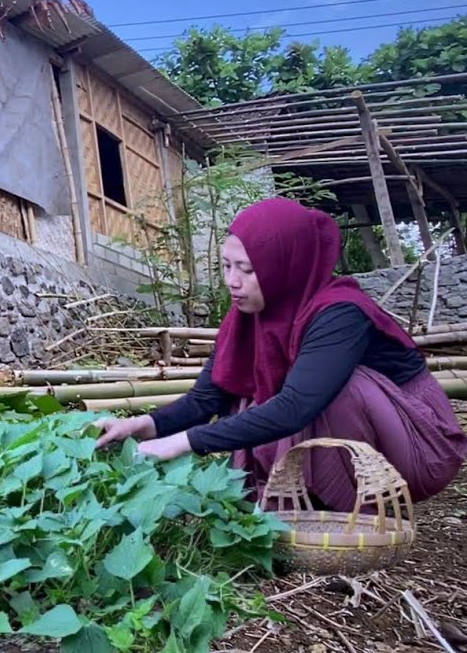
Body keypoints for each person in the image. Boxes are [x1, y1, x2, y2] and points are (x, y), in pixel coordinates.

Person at [93, 197, 467, 511]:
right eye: (227, 266)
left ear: (286, 265)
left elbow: (296, 408)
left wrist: (179, 443)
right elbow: (206, 399)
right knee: (245, 393)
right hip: (335, 430)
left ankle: (356, 511)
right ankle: (298, 504)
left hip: (414, 445)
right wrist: (142, 426)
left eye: (247, 269)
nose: (232, 281)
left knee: (337, 388)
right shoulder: (246, 320)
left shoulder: (340, 313)